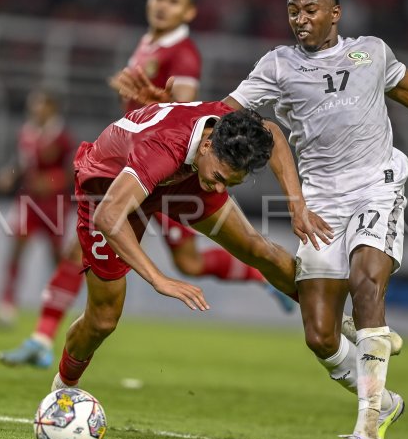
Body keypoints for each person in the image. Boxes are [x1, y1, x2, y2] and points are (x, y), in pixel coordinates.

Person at [113, 0, 408, 439]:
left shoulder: (372, 52)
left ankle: (368, 433)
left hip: (376, 184)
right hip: (319, 201)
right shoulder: (277, 65)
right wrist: (165, 108)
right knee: (320, 334)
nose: (300, 19)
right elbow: (220, 115)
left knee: (367, 284)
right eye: (293, 10)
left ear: (335, 13)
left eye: (310, 9)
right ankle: (385, 400)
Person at [0, 0, 295, 368]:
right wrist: (150, 106)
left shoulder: (182, 53)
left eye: (172, 1)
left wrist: (160, 107)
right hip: (143, 169)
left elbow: (185, 113)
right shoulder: (147, 44)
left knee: (183, 262)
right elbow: (167, 119)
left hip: (171, 172)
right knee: (101, 260)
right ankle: (42, 337)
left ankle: (43, 337)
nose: (161, 5)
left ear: (189, 11)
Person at [49, 103, 315, 392]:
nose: (220, 190)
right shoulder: (163, 147)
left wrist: (296, 204)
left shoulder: (228, 127)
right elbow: (108, 216)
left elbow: (272, 131)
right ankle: (62, 388)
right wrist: (158, 279)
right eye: (220, 179)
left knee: (257, 248)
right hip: (107, 189)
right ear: (206, 145)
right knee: (102, 321)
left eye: (230, 183)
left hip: (181, 177)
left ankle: (334, 319)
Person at [0, 89, 75, 327]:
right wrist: (9, 176)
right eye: (33, 105)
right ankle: (7, 305)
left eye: (40, 105)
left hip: (55, 204)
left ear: (52, 108)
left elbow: (74, 169)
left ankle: (58, 303)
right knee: (17, 247)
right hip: (30, 202)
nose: (35, 110)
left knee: (56, 257)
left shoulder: (62, 137)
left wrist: (51, 181)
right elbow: (21, 163)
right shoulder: (27, 133)